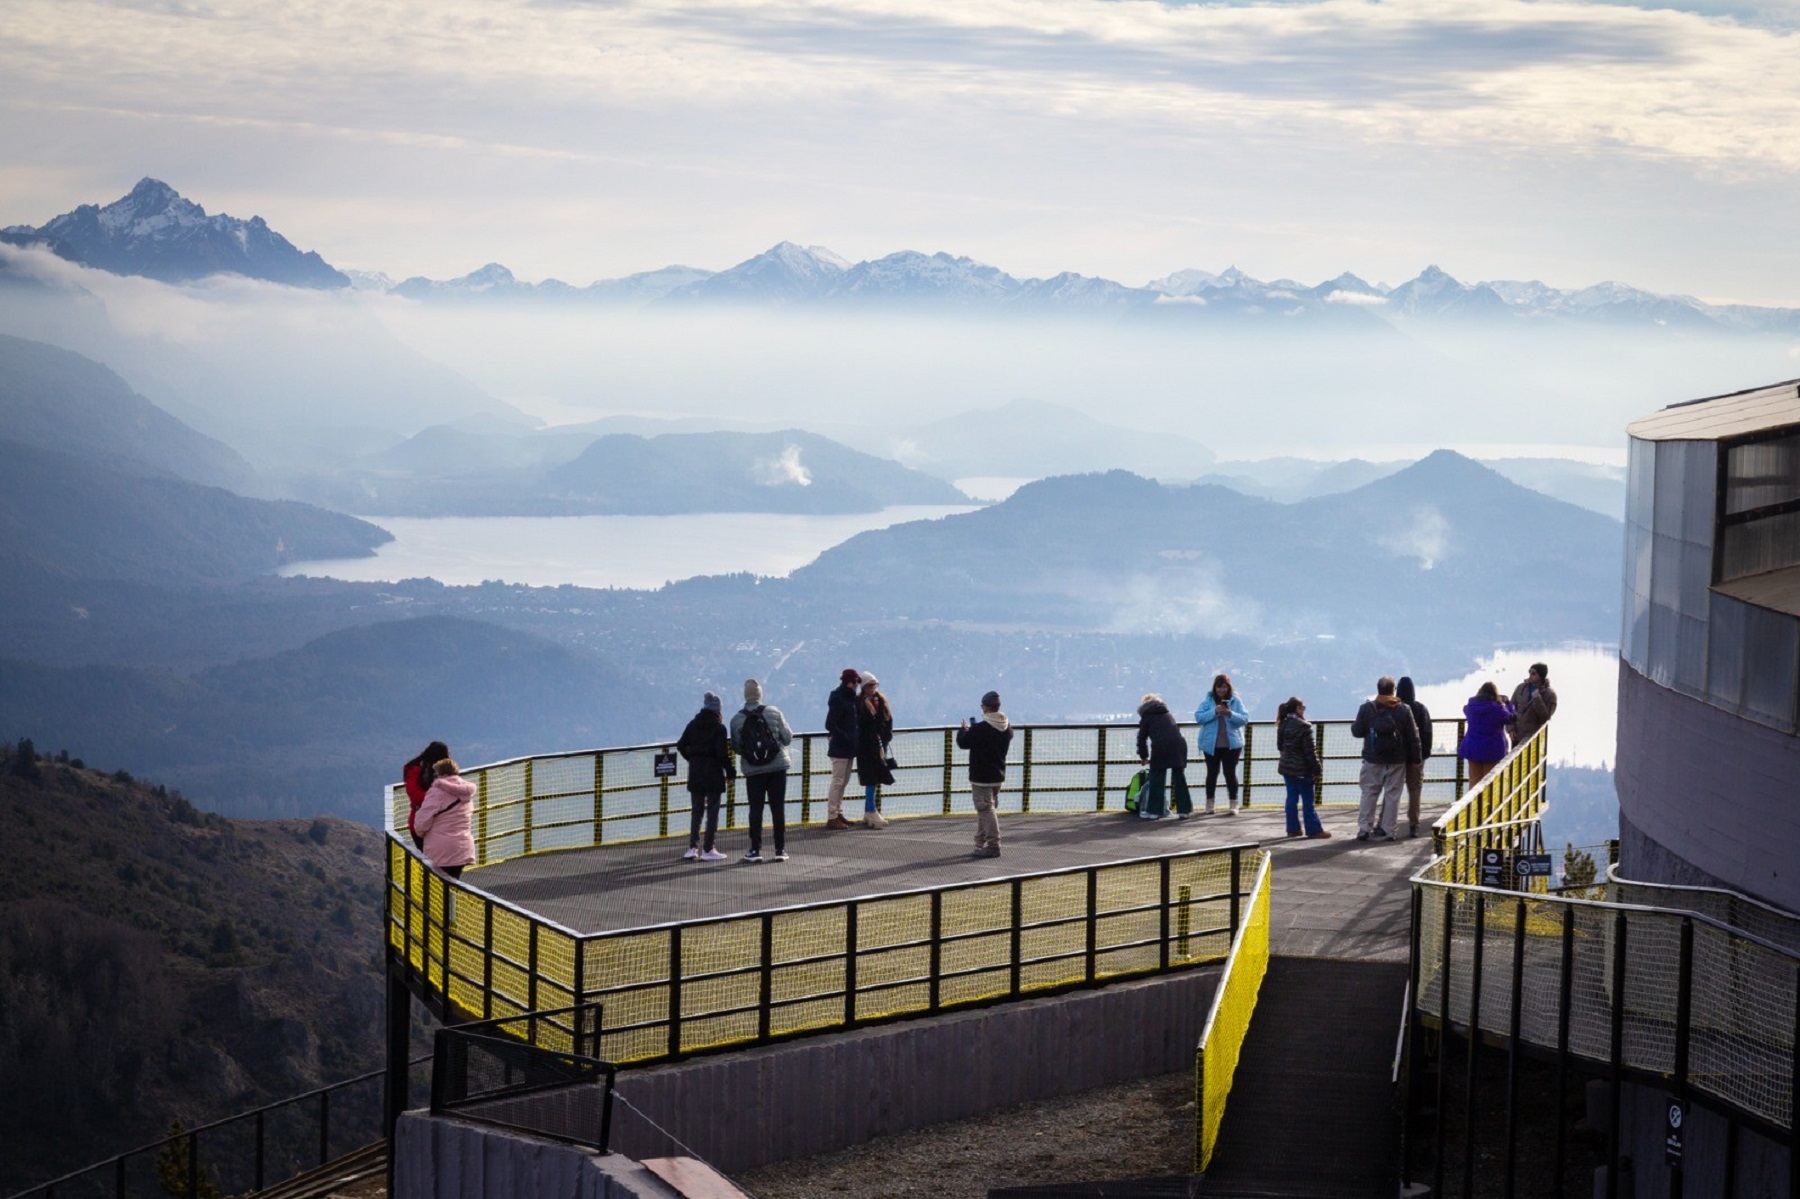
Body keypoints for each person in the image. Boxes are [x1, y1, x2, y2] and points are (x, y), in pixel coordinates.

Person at [1348, 676, 1421, 842]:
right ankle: (1389, 830)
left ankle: (1364, 829)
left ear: (1378, 689)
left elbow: (1357, 731)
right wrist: (1416, 759)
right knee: (1392, 796)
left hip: (1373, 759)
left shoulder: (1367, 708)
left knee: (1369, 793)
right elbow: (1413, 736)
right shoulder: (1404, 709)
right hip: (1397, 760)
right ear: (1393, 690)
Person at [730, 678, 793, 863]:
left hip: (753, 770)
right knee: (777, 807)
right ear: (760, 694)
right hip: (777, 767)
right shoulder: (774, 712)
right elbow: (787, 738)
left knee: (755, 809)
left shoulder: (737, 719)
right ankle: (780, 849)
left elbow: (737, 747)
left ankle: (755, 850)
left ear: (745, 696)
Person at [677, 692, 735, 861]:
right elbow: (722, 754)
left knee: (697, 810)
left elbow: (681, 745)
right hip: (713, 773)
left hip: (695, 772)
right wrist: (730, 772)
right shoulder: (719, 728)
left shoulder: (693, 724)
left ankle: (692, 847)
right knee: (713, 811)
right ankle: (709, 848)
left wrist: (692, 759)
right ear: (718, 710)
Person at [956, 690, 1013, 858]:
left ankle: (994, 845)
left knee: (986, 809)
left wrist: (963, 730)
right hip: (998, 775)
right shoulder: (1007, 727)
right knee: (987, 809)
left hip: (981, 777)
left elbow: (963, 743)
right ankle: (980, 841)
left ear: (985, 708)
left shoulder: (980, 729)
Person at [1275, 697, 1330, 839]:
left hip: (1287, 768)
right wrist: (1317, 769)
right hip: (1302, 769)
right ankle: (1314, 830)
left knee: (1291, 798)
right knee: (1307, 800)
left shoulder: (1283, 724)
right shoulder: (1305, 727)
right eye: (1302, 708)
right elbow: (1310, 752)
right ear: (1298, 709)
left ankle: (1293, 829)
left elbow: (1280, 746)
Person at [1193, 673, 1248, 816]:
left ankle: (1233, 803)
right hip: (1211, 744)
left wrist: (1230, 714)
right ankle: (1210, 803)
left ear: (1228, 687)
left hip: (1232, 744)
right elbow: (1199, 717)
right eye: (1219, 687)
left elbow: (1244, 718)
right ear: (1215, 687)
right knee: (1212, 773)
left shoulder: (1236, 700)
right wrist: (1214, 711)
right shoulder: (1208, 700)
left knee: (1230, 773)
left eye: (1224, 687)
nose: (1221, 690)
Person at [1134, 693, 1194, 819]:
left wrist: (1143, 756)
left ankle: (1154, 811)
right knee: (1179, 778)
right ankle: (1184, 810)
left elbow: (1141, 738)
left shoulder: (1147, 716)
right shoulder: (1167, 713)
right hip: (1178, 745)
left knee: (1157, 778)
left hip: (1160, 746)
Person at [413, 758, 476, 879]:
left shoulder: (436, 793)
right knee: (454, 884)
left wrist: (420, 832)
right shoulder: (467, 792)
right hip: (462, 846)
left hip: (440, 848)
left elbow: (422, 822)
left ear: (441, 774)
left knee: (437, 888)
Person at [854, 673, 894, 829]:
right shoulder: (860, 703)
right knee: (871, 778)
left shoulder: (880, 701)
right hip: (867, 746)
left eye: (874, 685)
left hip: (878, 745)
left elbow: (888, 720)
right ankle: (871, 810)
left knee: (873, 778)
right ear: (863, 687)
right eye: (869, 686)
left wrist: (886, 737)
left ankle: (869, 812)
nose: (872, 688)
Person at [1396, 676, 1434, 837]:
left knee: (1392, 791)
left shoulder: (1395, 708)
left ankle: (1383, 822)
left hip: (1396, 757)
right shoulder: (1420, 708)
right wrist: (1423, 756)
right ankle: (1414, 823)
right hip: (1416, 758)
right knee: (1415, 790)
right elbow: (1426, 733)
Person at [824, 668, 861, 830]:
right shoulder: (839, 699)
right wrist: (845, 736)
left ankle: (838, 813)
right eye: (856, 682)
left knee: (843, 782)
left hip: (848, 747)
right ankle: (832, 816)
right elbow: (830, 724)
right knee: (838, 781)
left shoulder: (849, 699)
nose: (857, 685)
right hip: (841, 747)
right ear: (849, 682)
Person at [1458, 682, 1515, 786]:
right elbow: (1510, 718)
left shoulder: (1470, 707)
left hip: (1473, 747)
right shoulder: (1498, 709)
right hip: (1492, 749)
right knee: (1489, 782)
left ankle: (1473, 801)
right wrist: (1508, 704)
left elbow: (1465, 709)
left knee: (1474, 780)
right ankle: (1487, 802)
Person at [402, 740, 449, 850]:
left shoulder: (442, 771)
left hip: (439, 822)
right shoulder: (416, 771)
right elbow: (415, 796)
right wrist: (437, 797)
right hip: (421, 822)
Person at [1507, 662, 1558, 747]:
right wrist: (1510, 729)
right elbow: (1510, 709)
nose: (1530, 675)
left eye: (1533, 673)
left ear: (1541, 676)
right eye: (1529, 672)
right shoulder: (1521, 688)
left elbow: (1545, 717)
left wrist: (1537, 699)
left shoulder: (1550, 694)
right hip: (1516, 736)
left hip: (1534, 739)